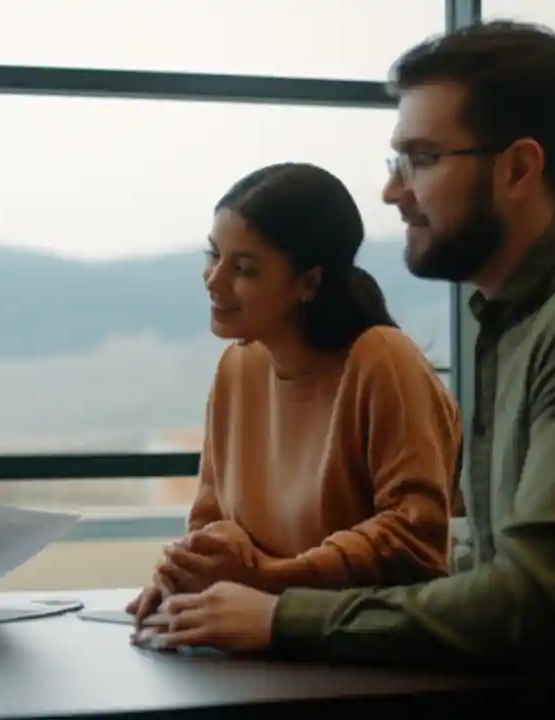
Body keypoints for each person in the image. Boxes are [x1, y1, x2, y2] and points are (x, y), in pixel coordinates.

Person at [134, 20, 555, 671]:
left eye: (422, 159)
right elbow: (484, 572)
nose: (393, 191)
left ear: (518, 169)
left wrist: (282, 610)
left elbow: (530, 604)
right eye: (397, 162)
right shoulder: (513, 318)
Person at [127, 162, 461, 623]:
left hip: (364, 645)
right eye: (213, 256)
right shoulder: (238, 366)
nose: (214, 279)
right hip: (258, 634)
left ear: (309, 282)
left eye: (243, 268)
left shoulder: (382, 359)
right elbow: (212, 519)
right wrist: (183, 577)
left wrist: (272, 578)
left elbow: (412, 540)